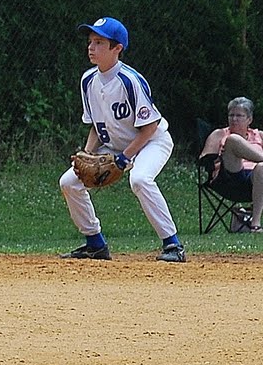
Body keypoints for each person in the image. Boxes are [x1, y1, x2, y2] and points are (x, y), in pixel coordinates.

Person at [59, 16, 186, 263]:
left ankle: (173, 245)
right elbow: (96, 126)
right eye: (90, 41)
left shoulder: (130, 80)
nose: (91, 47)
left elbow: (150, 126)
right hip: (116, 145)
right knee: (69, 182)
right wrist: (85, 154)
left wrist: (124, 158)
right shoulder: (88, 80)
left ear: (117, 48)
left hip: (151, 142)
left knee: (139, 179)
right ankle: (95, 244)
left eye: (99, 42)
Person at [198, 96, 263, 232]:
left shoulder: (259, 136)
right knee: (233, 140)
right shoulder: (219, 134)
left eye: (239, 116)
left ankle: (255, 224)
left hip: (256, 181)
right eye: (231, 115)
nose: (234, 119)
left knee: (261, 168)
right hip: (228, 178)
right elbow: (205, 158)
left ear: (249, 119)